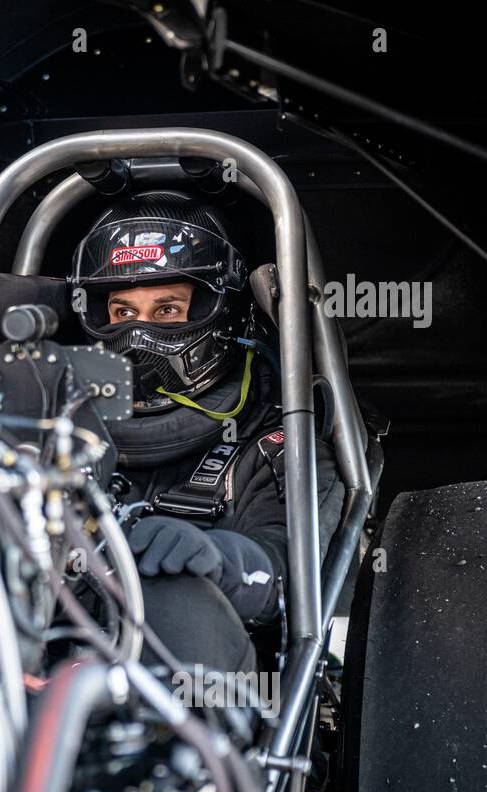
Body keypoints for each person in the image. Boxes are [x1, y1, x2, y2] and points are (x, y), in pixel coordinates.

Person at [70, 190, 343, 672]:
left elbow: (286, 578)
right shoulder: (63, 439)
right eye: (124, 312)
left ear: (221, 313)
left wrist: (216, 557)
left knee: (170, 600)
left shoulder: (275, 442)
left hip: (215, 693)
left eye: (168, 308)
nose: (138, 332)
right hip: (45, 674)